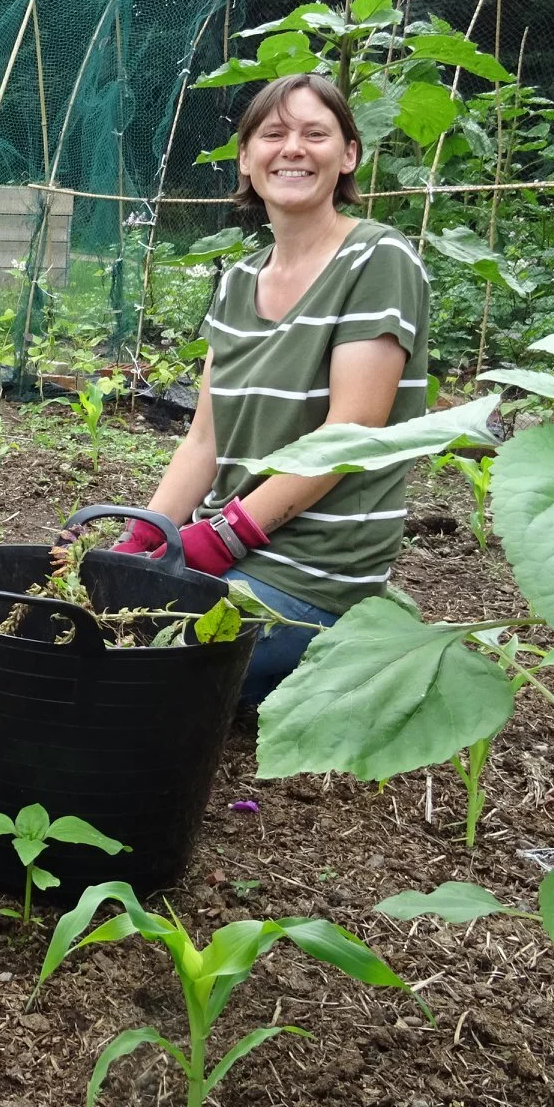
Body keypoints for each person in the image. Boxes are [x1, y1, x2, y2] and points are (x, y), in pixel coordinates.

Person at [111, 72, 430, 707]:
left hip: (314, 570)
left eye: (316, 134)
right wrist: (143, 537)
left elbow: (352, 430)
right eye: (273, 134)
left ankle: (341, 647)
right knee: (95, 620)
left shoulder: (377, 260)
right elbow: (206, 437)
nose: (291, 149)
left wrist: (222, 539)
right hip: (231, 550)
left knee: (138, 673)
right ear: (246, 158)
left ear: (348, 156)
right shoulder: (237, 282)